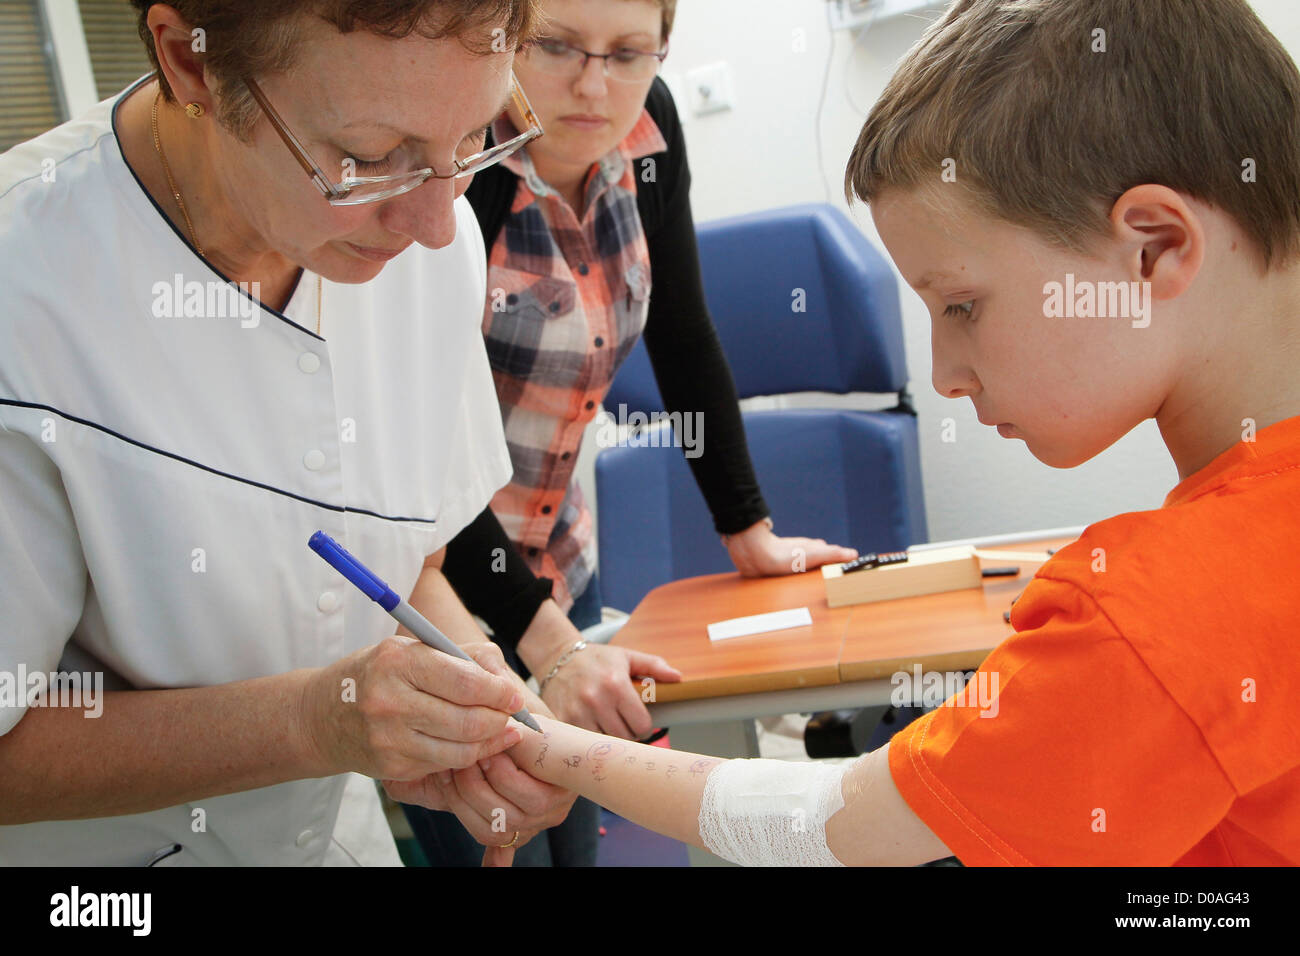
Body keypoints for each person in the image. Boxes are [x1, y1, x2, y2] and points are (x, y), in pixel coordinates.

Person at [467, 0, 1300, 866]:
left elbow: (826, 823)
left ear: (1156, 249)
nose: (943, 372)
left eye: (963, 306)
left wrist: (547, 746)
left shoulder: (1152, 620)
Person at [0, 0, 580, 864]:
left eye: (473, 136)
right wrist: (314, 723)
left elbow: (409, 559)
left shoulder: (432, 229)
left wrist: (464, 678)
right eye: (371, 158)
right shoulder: (27, 290)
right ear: (189, 63)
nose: (433, 223)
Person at [402, 0, 859, 866]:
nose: (593, 84)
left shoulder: (650, 131)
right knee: (498, 845)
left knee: (577, 843)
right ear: (505, 39)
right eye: (559, 48)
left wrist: (747, 529)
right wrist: (548, 645)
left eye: (627, 53)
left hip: (557, 554)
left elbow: (683, 331)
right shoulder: (461, 165)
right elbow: (419, 460)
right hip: (439, 575)